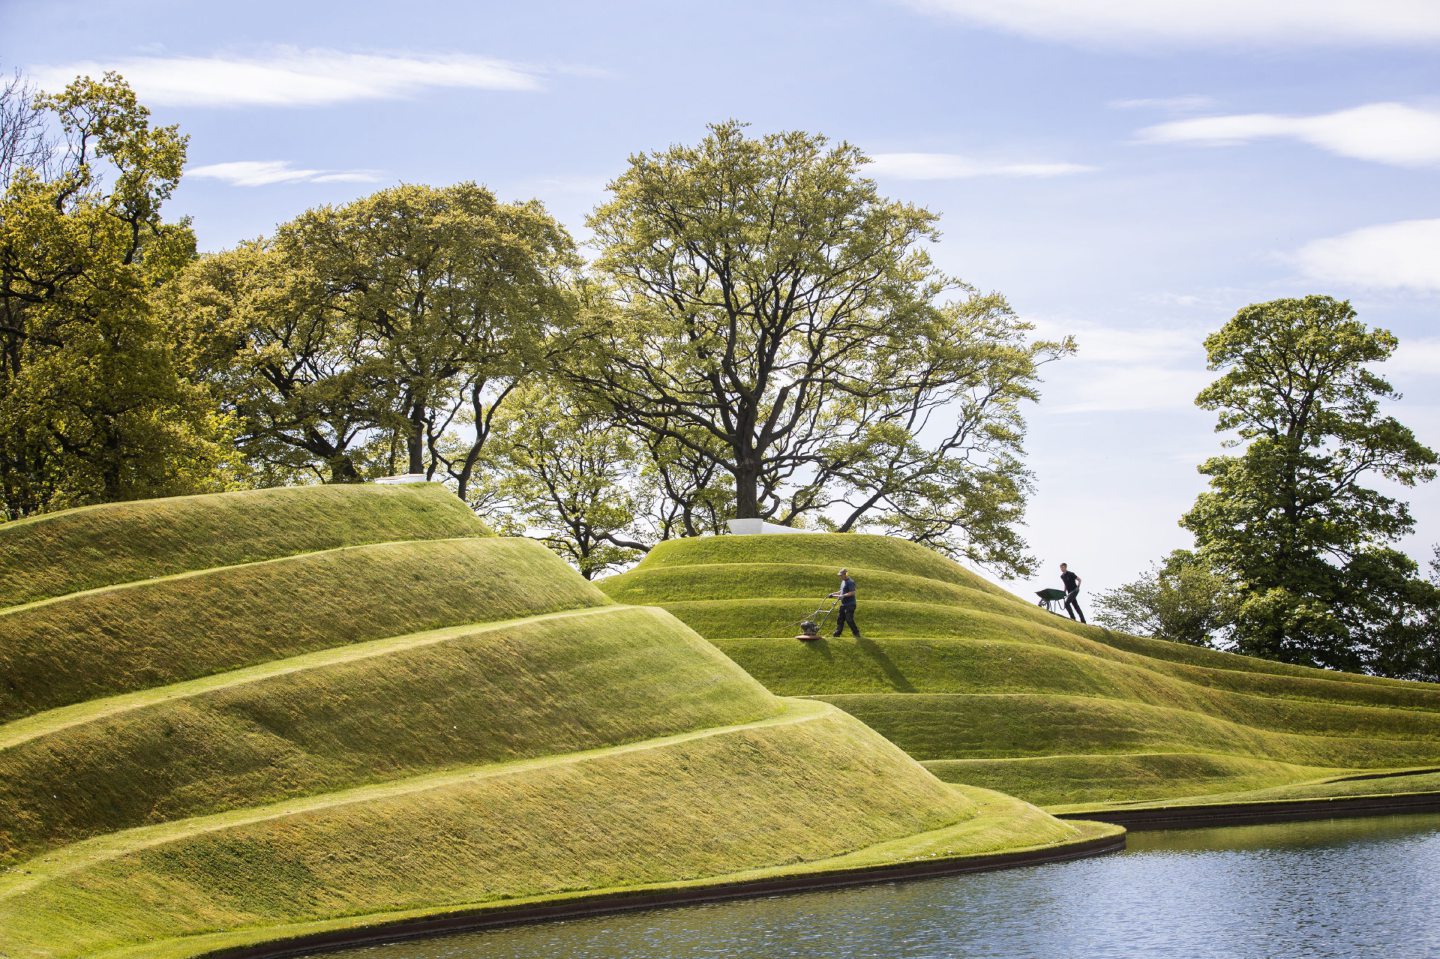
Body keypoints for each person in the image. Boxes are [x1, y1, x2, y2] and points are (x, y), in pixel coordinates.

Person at [830, 567, 860, 638]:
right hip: (843, 604)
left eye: (841, 575)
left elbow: (852, 592)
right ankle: (837, 634)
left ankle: (856, 633)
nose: (840, 576)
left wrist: (843, 596)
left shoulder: (850, 582)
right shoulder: (843, 582)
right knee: (840, 619)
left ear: (846, 574)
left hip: (850, 604)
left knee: (849, 619)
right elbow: (841, 591)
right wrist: (833, 594)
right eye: (840, 575)